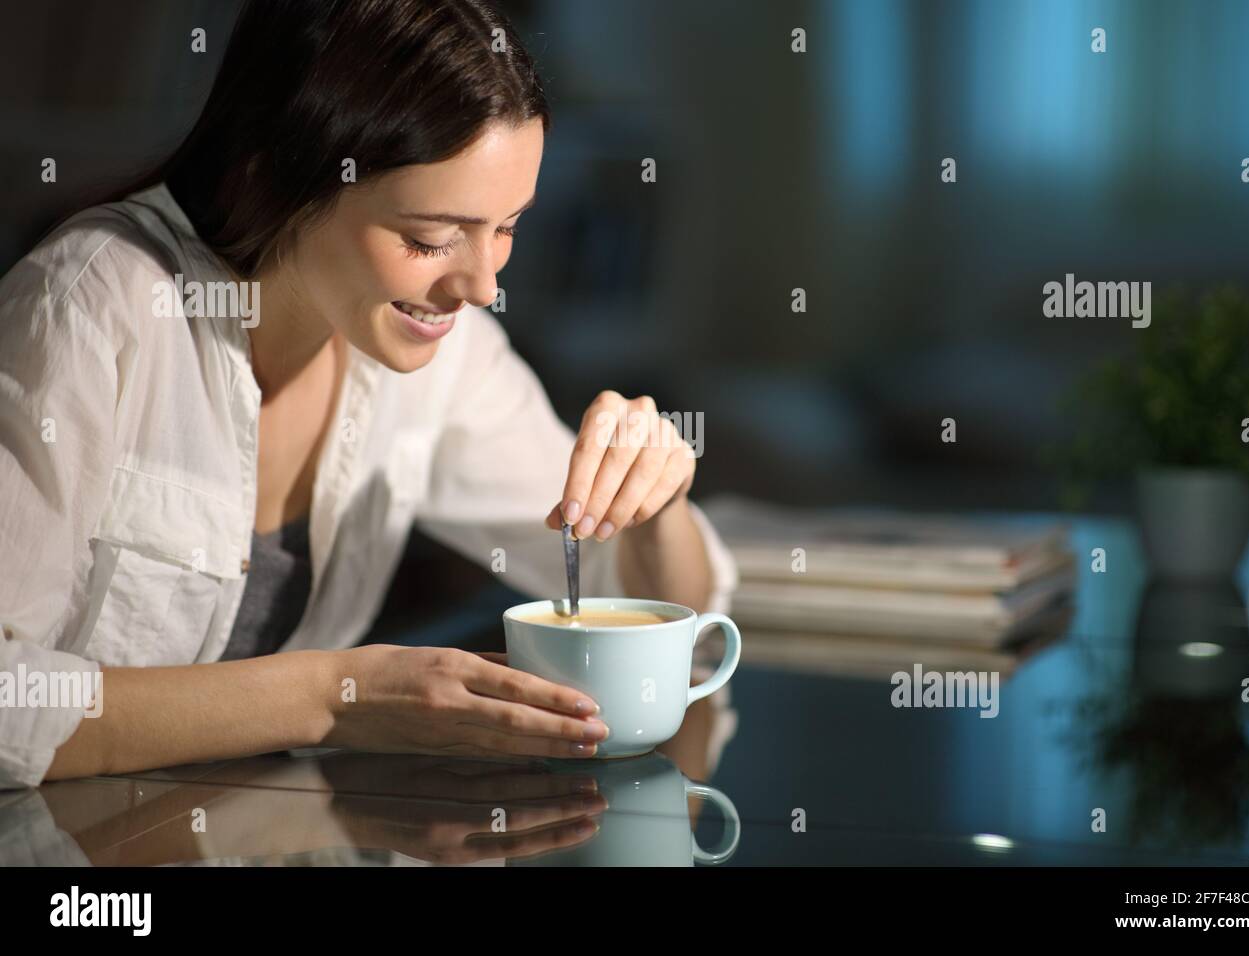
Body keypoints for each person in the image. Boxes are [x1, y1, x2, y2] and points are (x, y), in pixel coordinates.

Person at [0, 0, 736, 789]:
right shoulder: (92, 304)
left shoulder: (443, 356)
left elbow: (677, 613)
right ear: (282, 174)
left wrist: (657, 509)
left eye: (507, 227)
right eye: (428, 239)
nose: (482, 286)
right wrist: (333, 697)